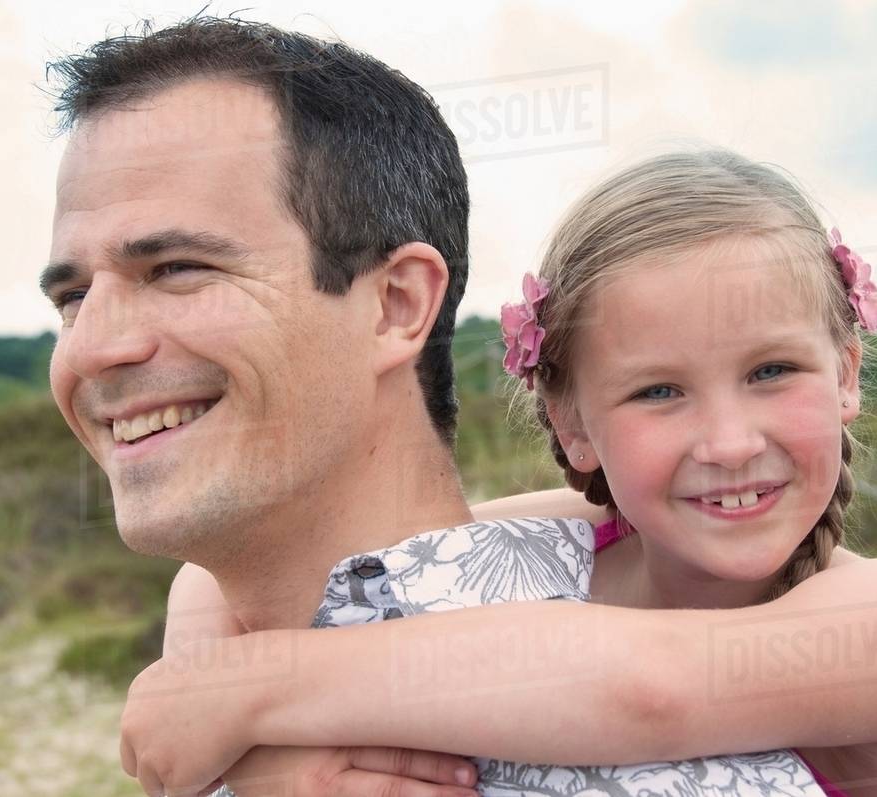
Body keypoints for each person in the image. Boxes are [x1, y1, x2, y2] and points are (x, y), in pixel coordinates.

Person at [41, 16, 825, 797]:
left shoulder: (672, 763)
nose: (91, 349)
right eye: (73, 297)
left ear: (394, 304)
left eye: (178, 268)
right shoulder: (210, 710)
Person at [120, 150, 877, 796]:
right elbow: (235, 568)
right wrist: (226, 703)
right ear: (574, 425)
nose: (727, 440)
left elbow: (654, 690)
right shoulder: (566, 538)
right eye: (659, 390)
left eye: (771, 372)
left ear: (848, 374)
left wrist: (260, 690)